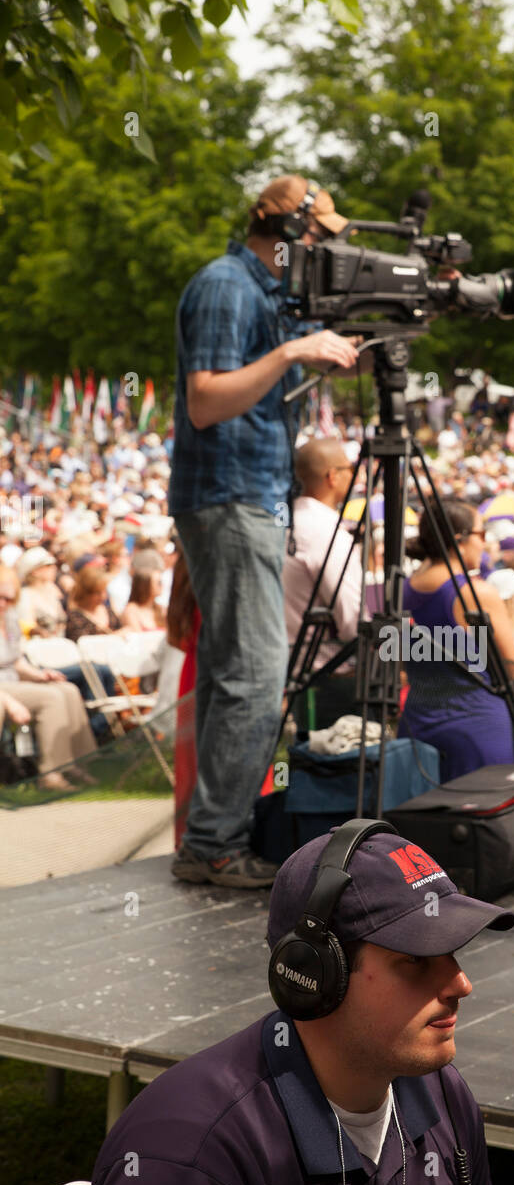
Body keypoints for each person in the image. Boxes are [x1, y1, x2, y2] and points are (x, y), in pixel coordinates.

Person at [66, 824, 513, 1185]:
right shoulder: (186, 1165)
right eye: (417, 960)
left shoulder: (441, 1093)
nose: (461, 984)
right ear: (312, 975)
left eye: (454, 952)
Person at [168, 175, 362, 888]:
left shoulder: (270, 295)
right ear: (284, 234)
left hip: (248, 496)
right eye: (316, 237)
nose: (323, 250)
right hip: (229, 496)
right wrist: (290, 353)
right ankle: (216, 840)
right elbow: (206, 400)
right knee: (255, 675)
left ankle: (206, 839)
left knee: (231, 670)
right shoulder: (226, 285)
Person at [399, 500, 514, 779]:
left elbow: (399, 659)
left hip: (416, 723)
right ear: (460, 539)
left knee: (417, 819)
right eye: (481, 534)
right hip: (476, 726)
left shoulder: (402, 588)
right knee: (485, 817)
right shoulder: (476, 593)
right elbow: (511, 667)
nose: (485, 543)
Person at [282, 437, 363, 733]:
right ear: (332, 476)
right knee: (342, 769)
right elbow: (349, 611)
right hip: (331, 675)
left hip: (297, 670)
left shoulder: (286, 521)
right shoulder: (323, 530)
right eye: (349, 468)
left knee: (309, 764)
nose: (354, 474)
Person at [0, 565, 97, 790]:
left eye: (8, 597)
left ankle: (77, 763)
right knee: (51, 698)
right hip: (4, 688)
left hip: (13, 680)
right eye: (0, 597)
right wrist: (10, 702)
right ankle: (50, 774)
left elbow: (16, 662)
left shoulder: (10, 619)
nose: (3, 602)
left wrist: (41, 675)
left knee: (68, 690)